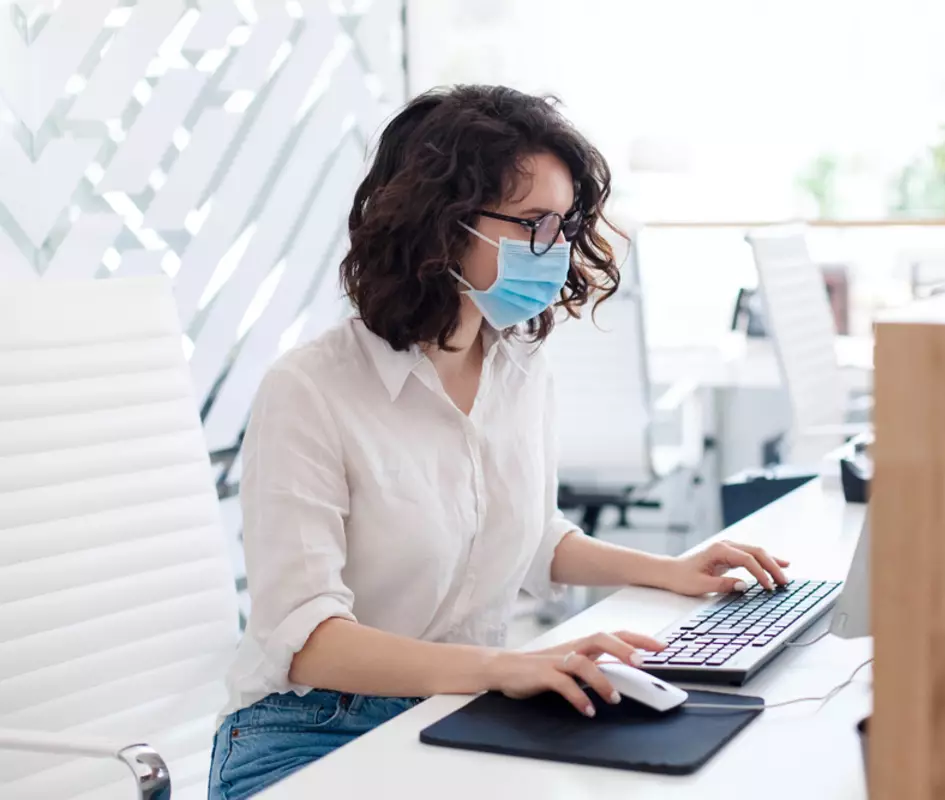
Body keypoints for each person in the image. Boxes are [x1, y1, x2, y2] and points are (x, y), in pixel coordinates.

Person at [207, 85, 789, 799]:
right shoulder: (310, 390)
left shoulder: (519, 367)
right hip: (311, 733)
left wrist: (672, 570)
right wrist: (504, 668)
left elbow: (530, 539)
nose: (558, 248)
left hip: (451, 709)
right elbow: (307, 640)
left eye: (565, 225)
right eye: (533, 224)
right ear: (440, 224)